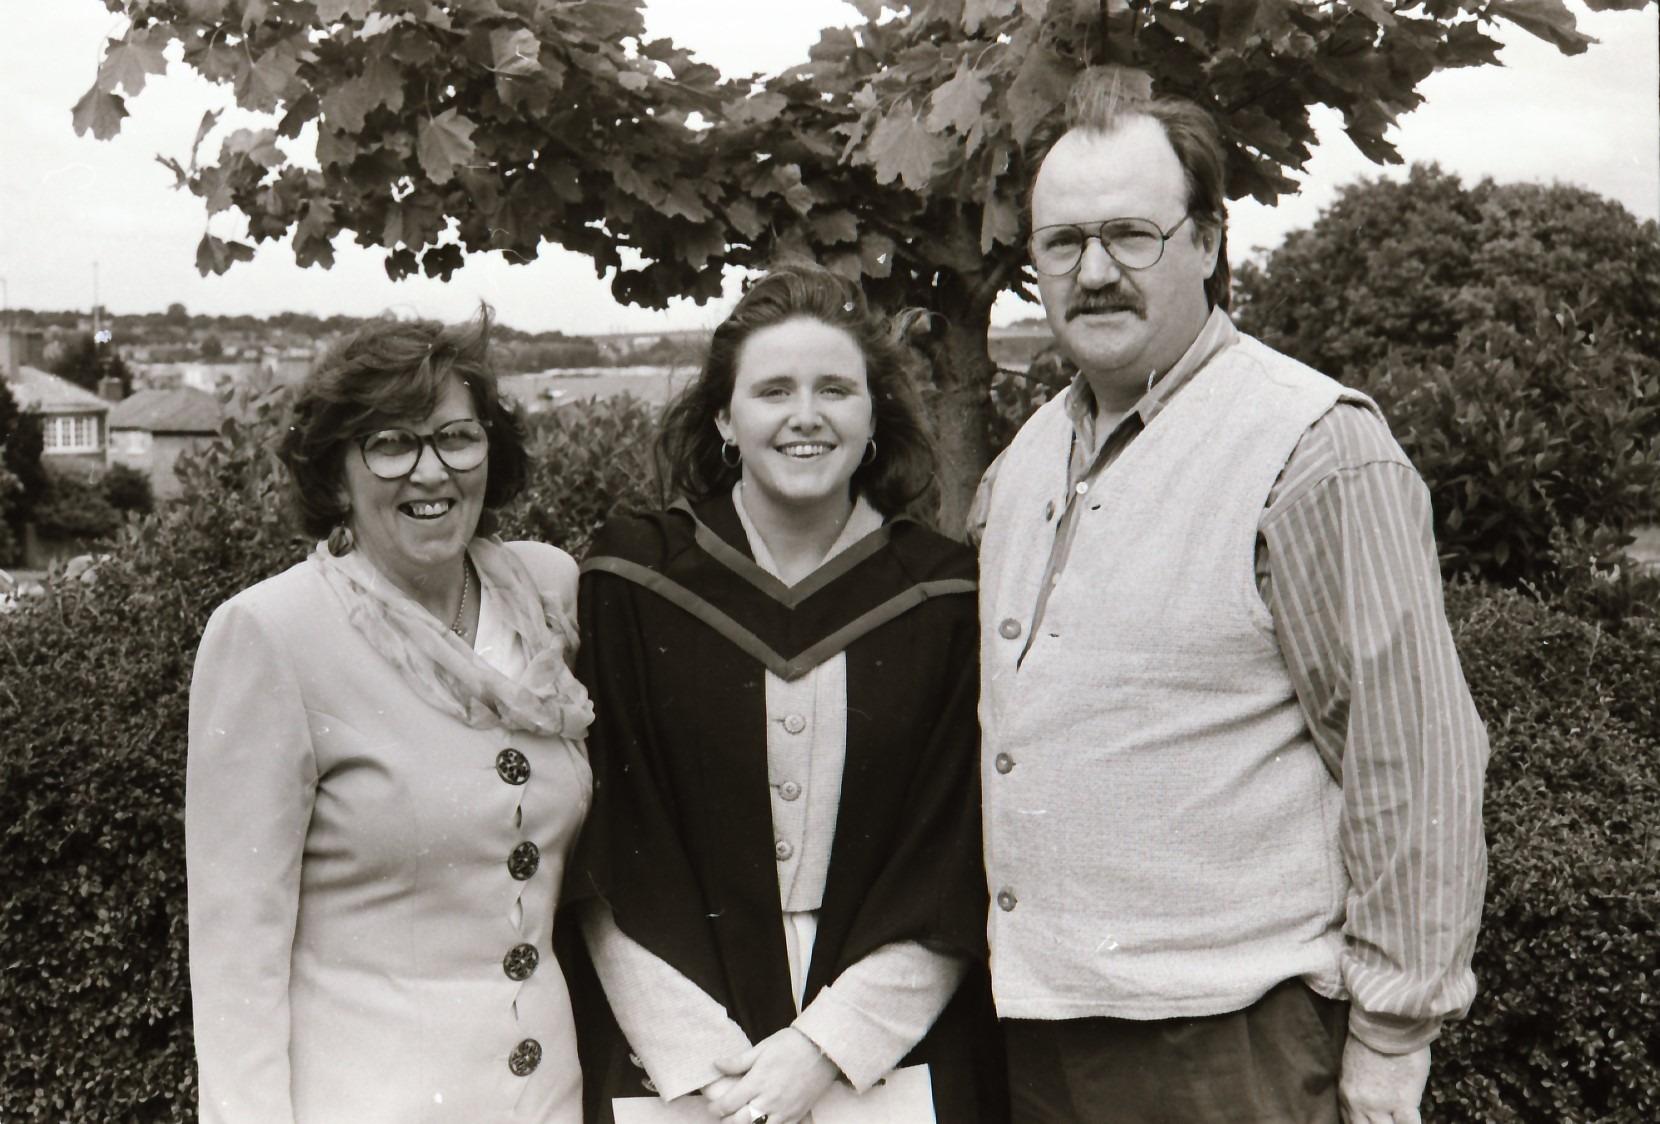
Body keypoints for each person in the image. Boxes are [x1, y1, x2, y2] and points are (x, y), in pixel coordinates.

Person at [973, 68, 1489, 1124]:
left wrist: (1393, 1034)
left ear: (1206, 242)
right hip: (1032, 1028)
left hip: (1223, 1051)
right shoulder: (1027, 456)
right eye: (1062, 243)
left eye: (1130, 234)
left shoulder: (1315, 447)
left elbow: (1412, 751)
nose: (1094, 270)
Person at [561, 262, 1006, 1124]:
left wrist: (827, 1048)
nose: (806, 415)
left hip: (889, 1052)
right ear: (725, 417)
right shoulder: (631, 579)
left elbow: (958, 850)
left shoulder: (946, 597)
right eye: (773, 390)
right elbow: (608, 838)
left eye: (836, 388)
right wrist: (704, 1062)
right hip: (680, 1055)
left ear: (874, 414)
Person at [187, 312, 595, 1123]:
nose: (430, 472)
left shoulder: (551, 591)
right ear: (337, 474)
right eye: (389, 443)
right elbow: (238, 953)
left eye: (455, 437)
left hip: (547, 1098)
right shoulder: (271, 633)